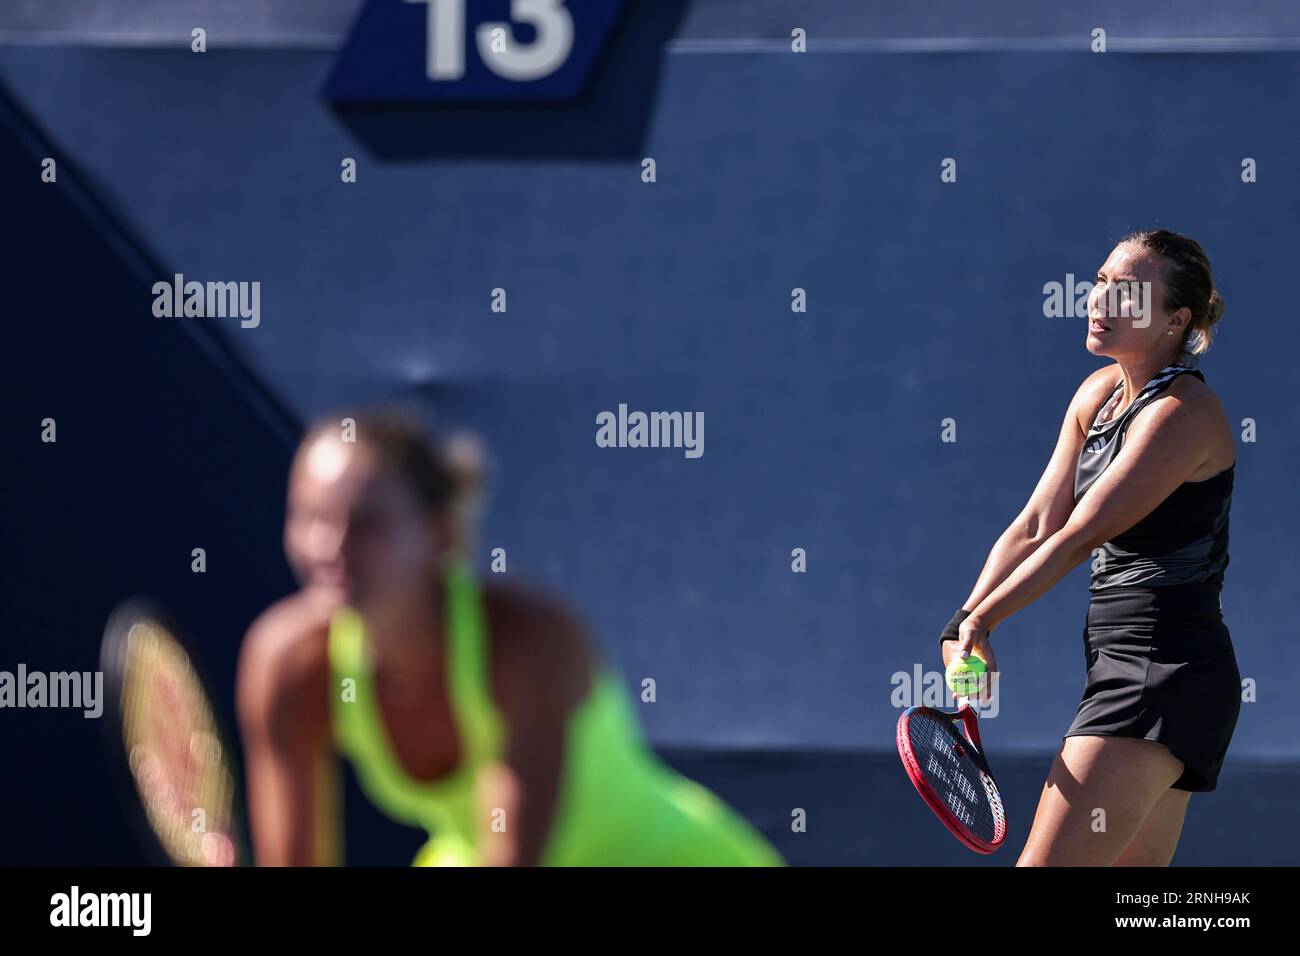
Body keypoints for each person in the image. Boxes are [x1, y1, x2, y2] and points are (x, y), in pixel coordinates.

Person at [236, 412, 784, 866]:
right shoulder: (287, 665)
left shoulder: (530, 644)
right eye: (308, 517)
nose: (329, 546)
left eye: (367, 523)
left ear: (439, 533)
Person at [939, 229, 1240, 866]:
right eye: (1100, 280)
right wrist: (964, 619)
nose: (1099, 299)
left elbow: (1079, 536)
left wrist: (986, 620)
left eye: (1126, 292)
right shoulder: (1098, 394)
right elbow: (1035, 525)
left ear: (1174, 320)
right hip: (1126, 663)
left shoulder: (1182, 415)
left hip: (1163, 673)